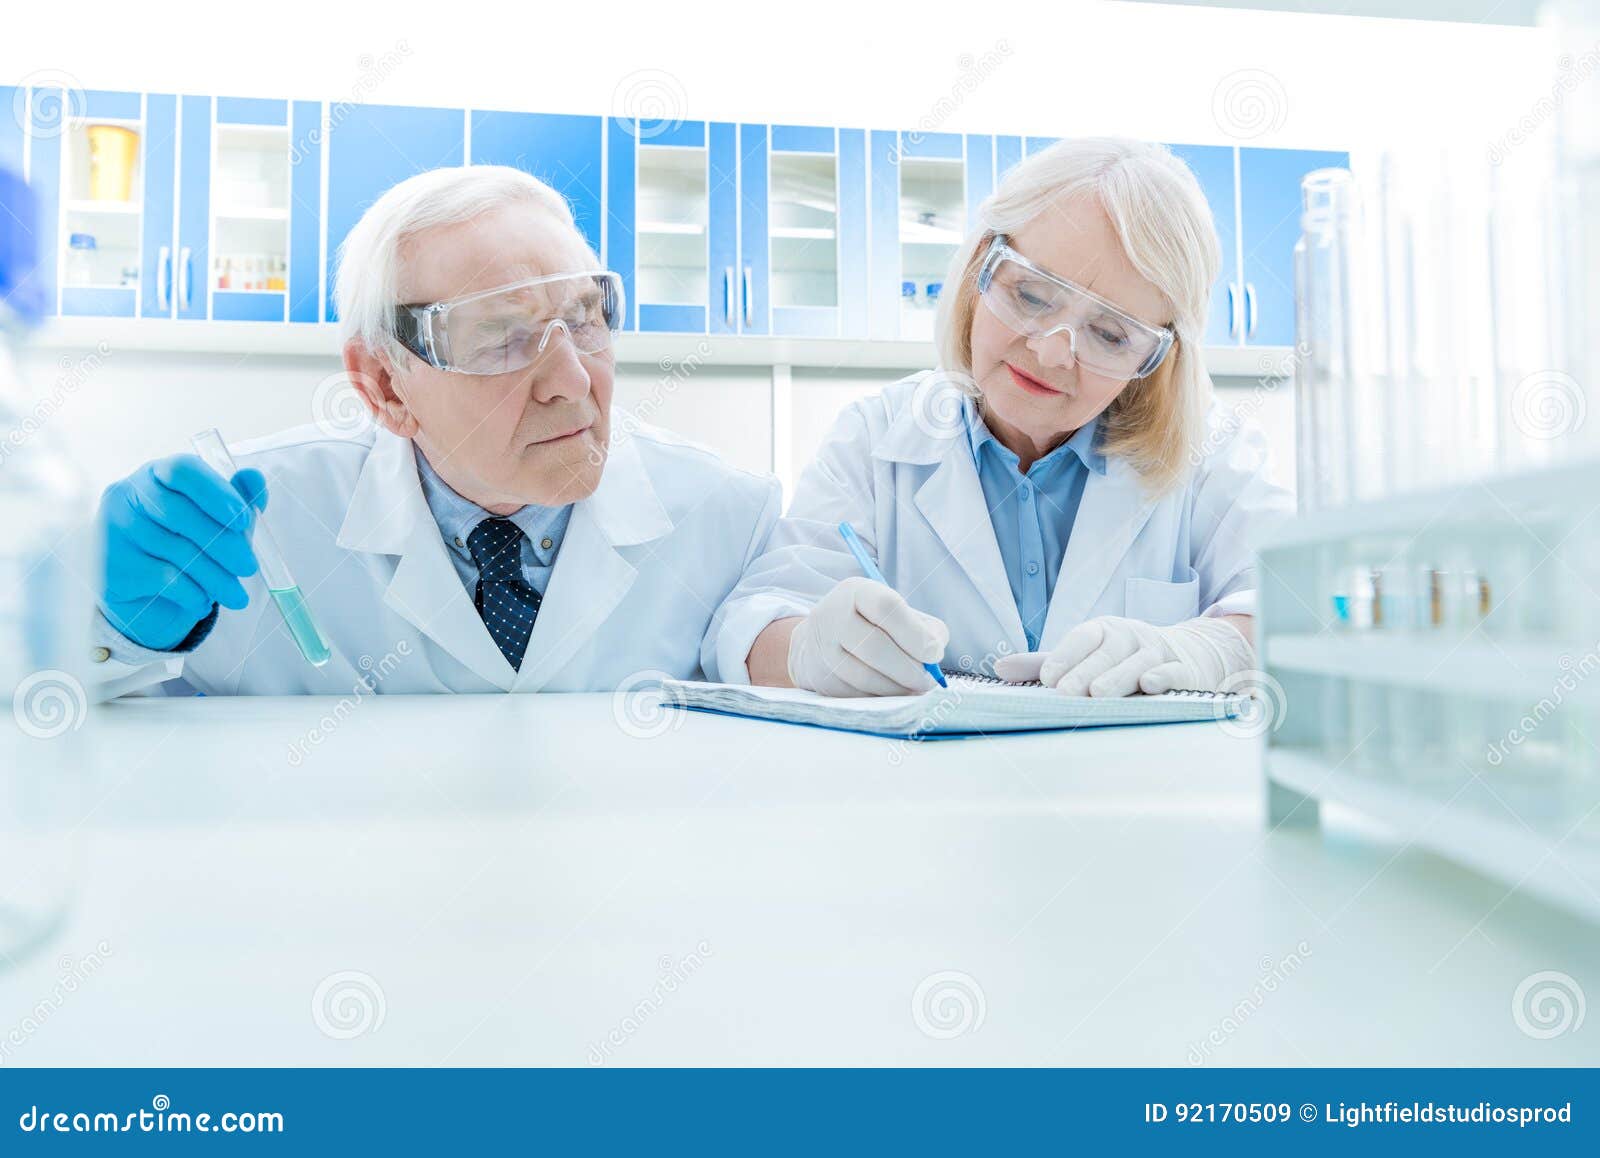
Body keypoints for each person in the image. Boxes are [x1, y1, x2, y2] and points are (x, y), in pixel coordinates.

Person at [89, 165, 779, 696]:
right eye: (504, 336)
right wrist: (112, 632)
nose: (571, 379)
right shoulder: (242, 533)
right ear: (385, 386)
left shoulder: (733, 521)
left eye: (584, 318)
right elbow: (53, 711)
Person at [708, 138, 1292, 698]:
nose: (1052, 353)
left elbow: (1304, 608)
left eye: (1110, 335)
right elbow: (749, 626)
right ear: (979, 271)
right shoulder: (875, 437)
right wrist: (809, 648)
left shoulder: (1212, 452)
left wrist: (1214, 650)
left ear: (1158, 357)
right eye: (1033, 297)